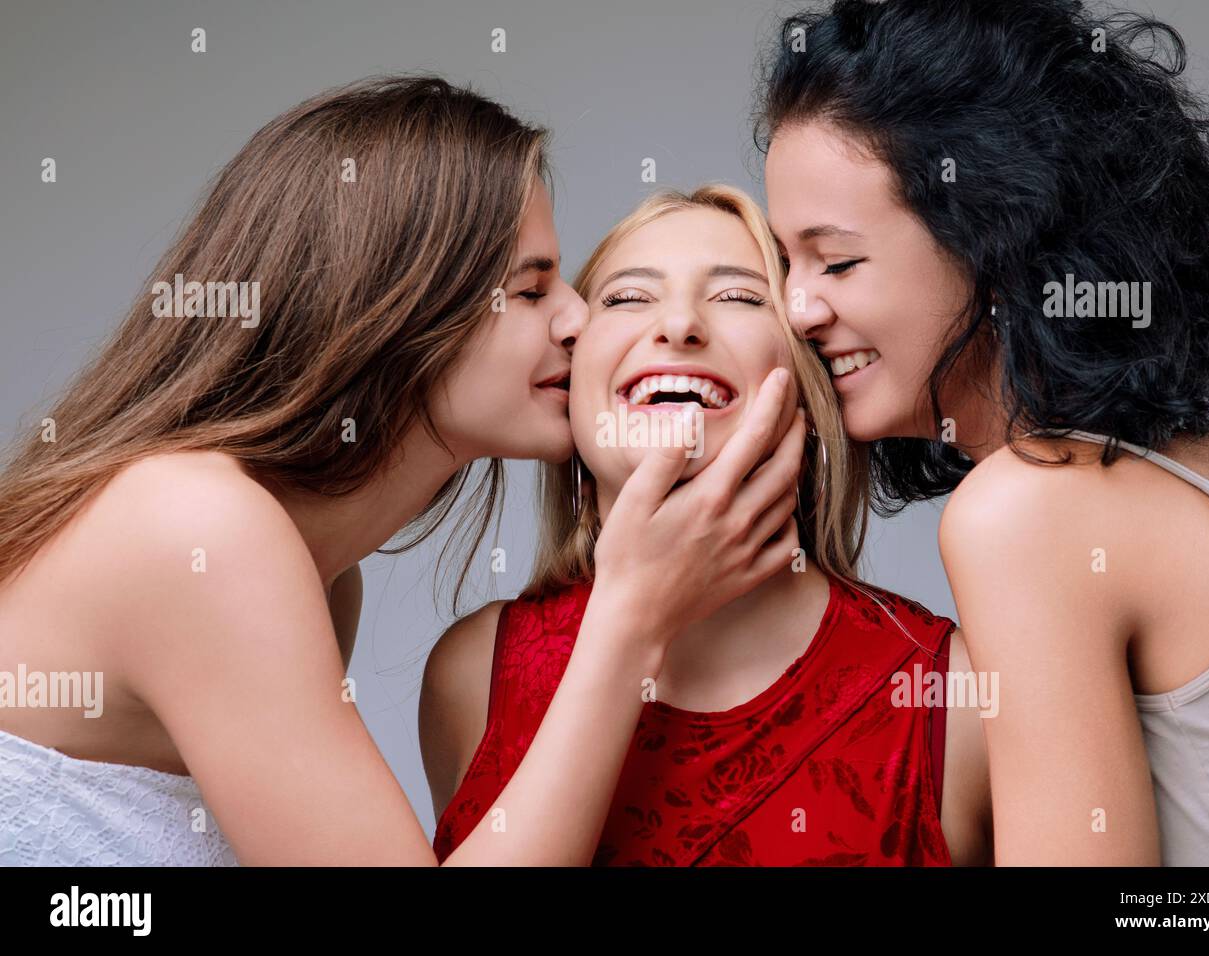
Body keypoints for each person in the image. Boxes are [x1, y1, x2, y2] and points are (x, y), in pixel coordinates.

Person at [0, 76, 803, 866]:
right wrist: (632, 617)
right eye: (530, 290)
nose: (577, 316)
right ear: (399, 310)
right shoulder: (196, 528)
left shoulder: (324, 579)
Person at [759, 0, 1209, 864]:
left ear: (994, 237)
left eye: (840, 260)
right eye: (786, 262)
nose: (798, 307)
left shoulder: (1028, 511)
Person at [422, 185, 992, 866]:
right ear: (569, 375)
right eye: (628, 297)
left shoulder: (952, 697)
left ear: (810, 377)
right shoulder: (471, 674)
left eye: (741, 298)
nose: (680, 325)